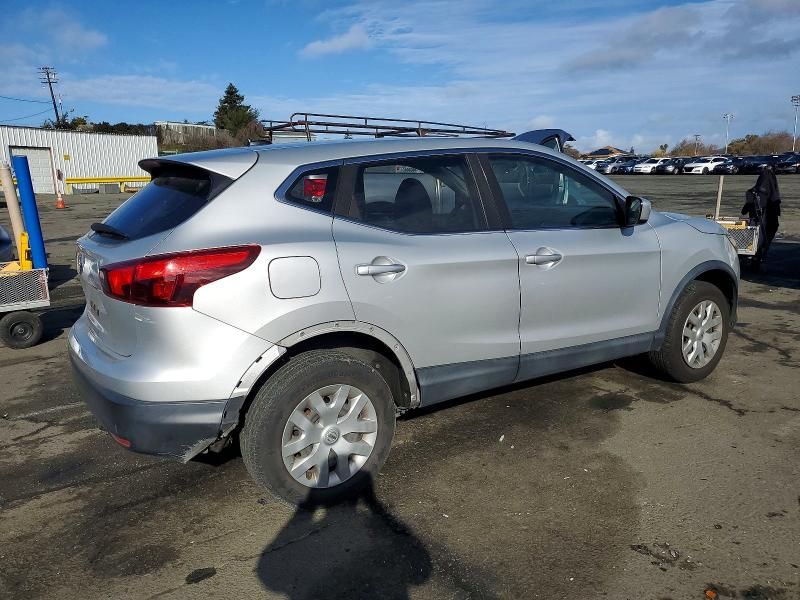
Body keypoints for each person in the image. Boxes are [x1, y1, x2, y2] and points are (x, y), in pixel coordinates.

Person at [741, 164, 781, 268]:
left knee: (759, 236)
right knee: (761, 236)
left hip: (761, 215)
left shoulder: (756, 190)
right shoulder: (767, 186)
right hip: (763, 216)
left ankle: (756, 257)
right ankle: (757, 258)